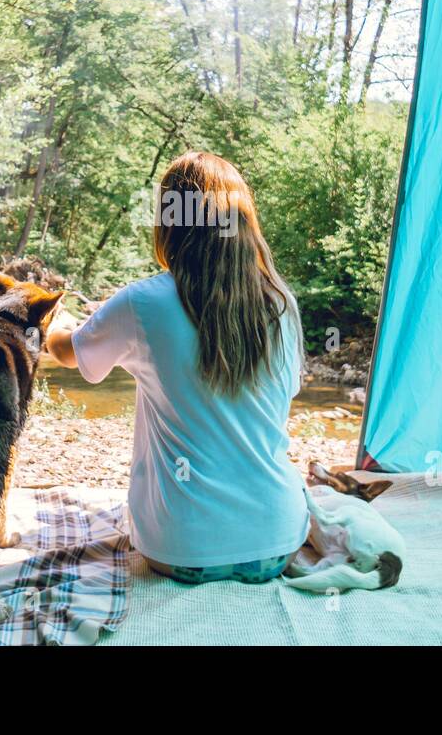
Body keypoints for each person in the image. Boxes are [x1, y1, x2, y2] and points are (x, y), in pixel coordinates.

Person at [47, 150, 308, 584]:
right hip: (277, 542)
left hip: (182, 549)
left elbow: (68, 353)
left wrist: (62, 323)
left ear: (171, 221)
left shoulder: (143, 302)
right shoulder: (281, 302)